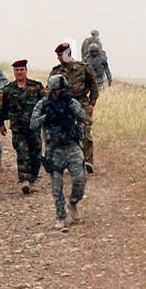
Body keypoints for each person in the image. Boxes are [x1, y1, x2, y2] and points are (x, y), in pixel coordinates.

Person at [31, 74, 89, 231]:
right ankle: (60, 216)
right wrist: (46, 117)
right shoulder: (43, 104)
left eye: (62, 90)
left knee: (80, 178)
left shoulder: (70, 102)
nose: (60, 93)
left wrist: (70, 104)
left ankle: (73, 203)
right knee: (57, 187)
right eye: (57, 90)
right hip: (54, 149)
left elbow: (83, 116)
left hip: (71, 145)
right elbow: (33, 124)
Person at [0, 59, 45, 193]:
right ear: (14, 72)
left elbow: (45, 105)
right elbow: (2, 109)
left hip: (34, 127)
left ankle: (32, 179)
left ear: (26, 70)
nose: (19, 72)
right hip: (18, 128)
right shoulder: (8, 89)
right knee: (22, 153)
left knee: (35, 154)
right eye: (17, 70)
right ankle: (24, 180)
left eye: (21, 69)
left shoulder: (37, 87)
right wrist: (1, 123)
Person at [50, 42, 99, 174]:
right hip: (65, 105)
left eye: (60, 55)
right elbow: (50, 91)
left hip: (82, 102)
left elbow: (94, 86)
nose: (58, 58)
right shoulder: (56, 72)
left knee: (85, 131)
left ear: (68, 54)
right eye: (58, 55)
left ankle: (88, 162)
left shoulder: (84, 68)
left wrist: (91, 104)